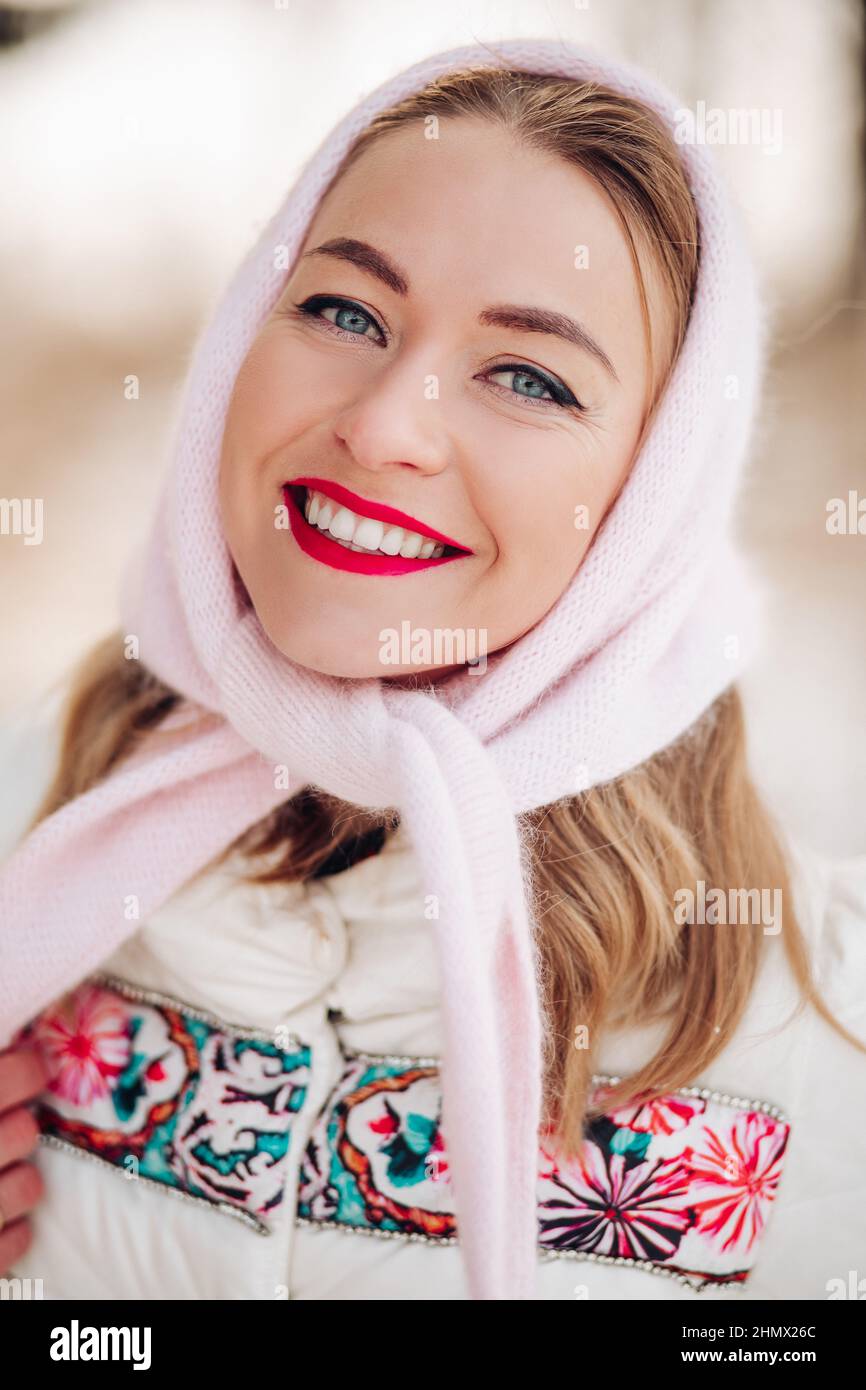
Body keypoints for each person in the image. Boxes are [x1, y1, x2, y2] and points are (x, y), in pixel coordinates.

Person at [1, 38, 864, 1301]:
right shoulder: (33, 813)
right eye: (344, 310)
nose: (383, 423)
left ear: (653, 494)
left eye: (527, 376)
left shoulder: (816, 1018)